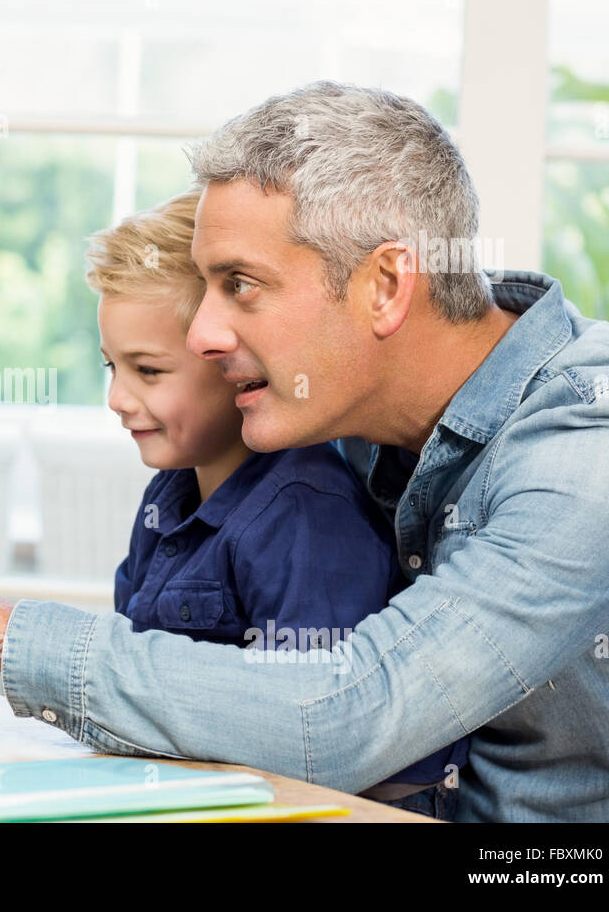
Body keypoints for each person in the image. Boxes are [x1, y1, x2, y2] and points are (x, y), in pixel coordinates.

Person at [0, 81, 609, 822]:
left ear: (386, 286)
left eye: (240, 285)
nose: (203, 333)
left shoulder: (600, 453)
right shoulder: (343, 406)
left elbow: (349, 713)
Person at [86, 189, 464, 817]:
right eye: (111, 368)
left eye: (148, 372)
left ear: (232, 363)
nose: (117, 399)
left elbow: (313, 735)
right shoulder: (170, 495)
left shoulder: (303, 512)